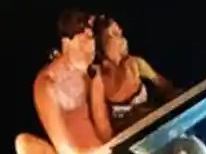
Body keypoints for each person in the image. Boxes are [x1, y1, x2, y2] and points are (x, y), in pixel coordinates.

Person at [15, 10, 108, 154]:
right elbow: (64, 148)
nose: (89, 49)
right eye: (83, 41)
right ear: (66, 43)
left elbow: (102, 124)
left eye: (91, 40)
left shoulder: (92, 73)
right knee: (23, 143)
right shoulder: (47, 83)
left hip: (100, 150)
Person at [90, 16, 178, 136]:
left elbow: (165, 86)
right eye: (114, 35)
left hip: (157, 127)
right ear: (101, 45)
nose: (123, 40)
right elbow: (103, 128)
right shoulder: (98, 80)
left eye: (120, 34)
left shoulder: (137, 64)